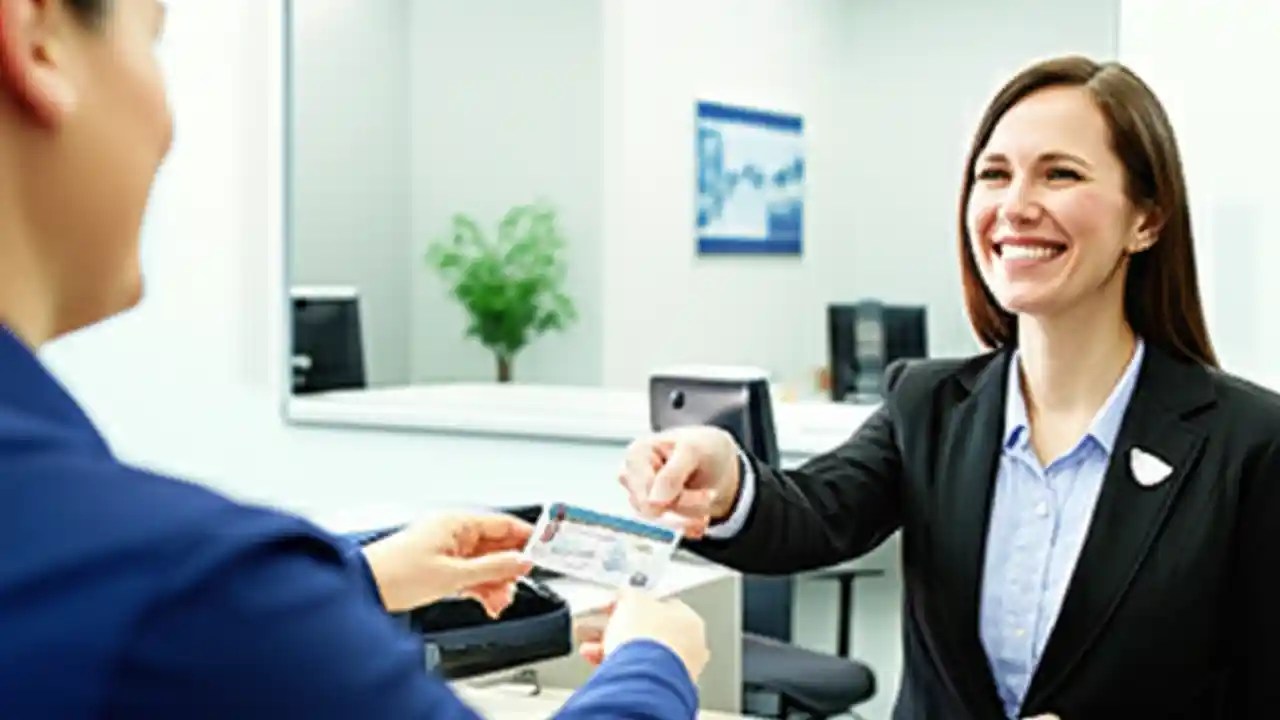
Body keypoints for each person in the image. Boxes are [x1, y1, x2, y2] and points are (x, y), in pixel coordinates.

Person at [0, 1, 708, 717]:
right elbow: (196, 620)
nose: (168, 130)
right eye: (151, 42)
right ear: (36, 41)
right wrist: (652, 665)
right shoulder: (186, 592)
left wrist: (361, 573)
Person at [620, 54, 1280, 720]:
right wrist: (725, 477)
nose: (1015, 206)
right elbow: (811, 515)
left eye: (1060, 174)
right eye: (994, 175)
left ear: (1148, 219)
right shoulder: (929, 403)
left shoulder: (1248, 444)